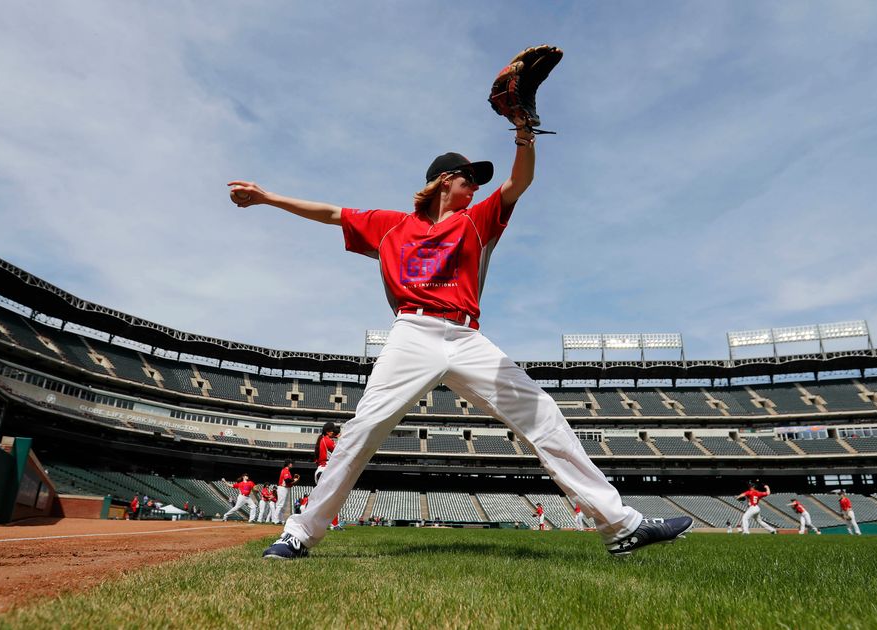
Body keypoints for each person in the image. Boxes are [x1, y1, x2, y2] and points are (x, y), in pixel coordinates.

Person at [241, 122, 691, 560]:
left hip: (465, 334)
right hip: (412, 333)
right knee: (362, 429)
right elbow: (331, 212)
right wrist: (267, 198)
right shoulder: (391, 226)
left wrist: (524, 132)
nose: (475, 185)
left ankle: (620, 526)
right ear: (443, 181)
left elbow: (520, 180)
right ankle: (299, 533)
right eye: (468, 177)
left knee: (542, 413)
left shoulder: (476, 220)